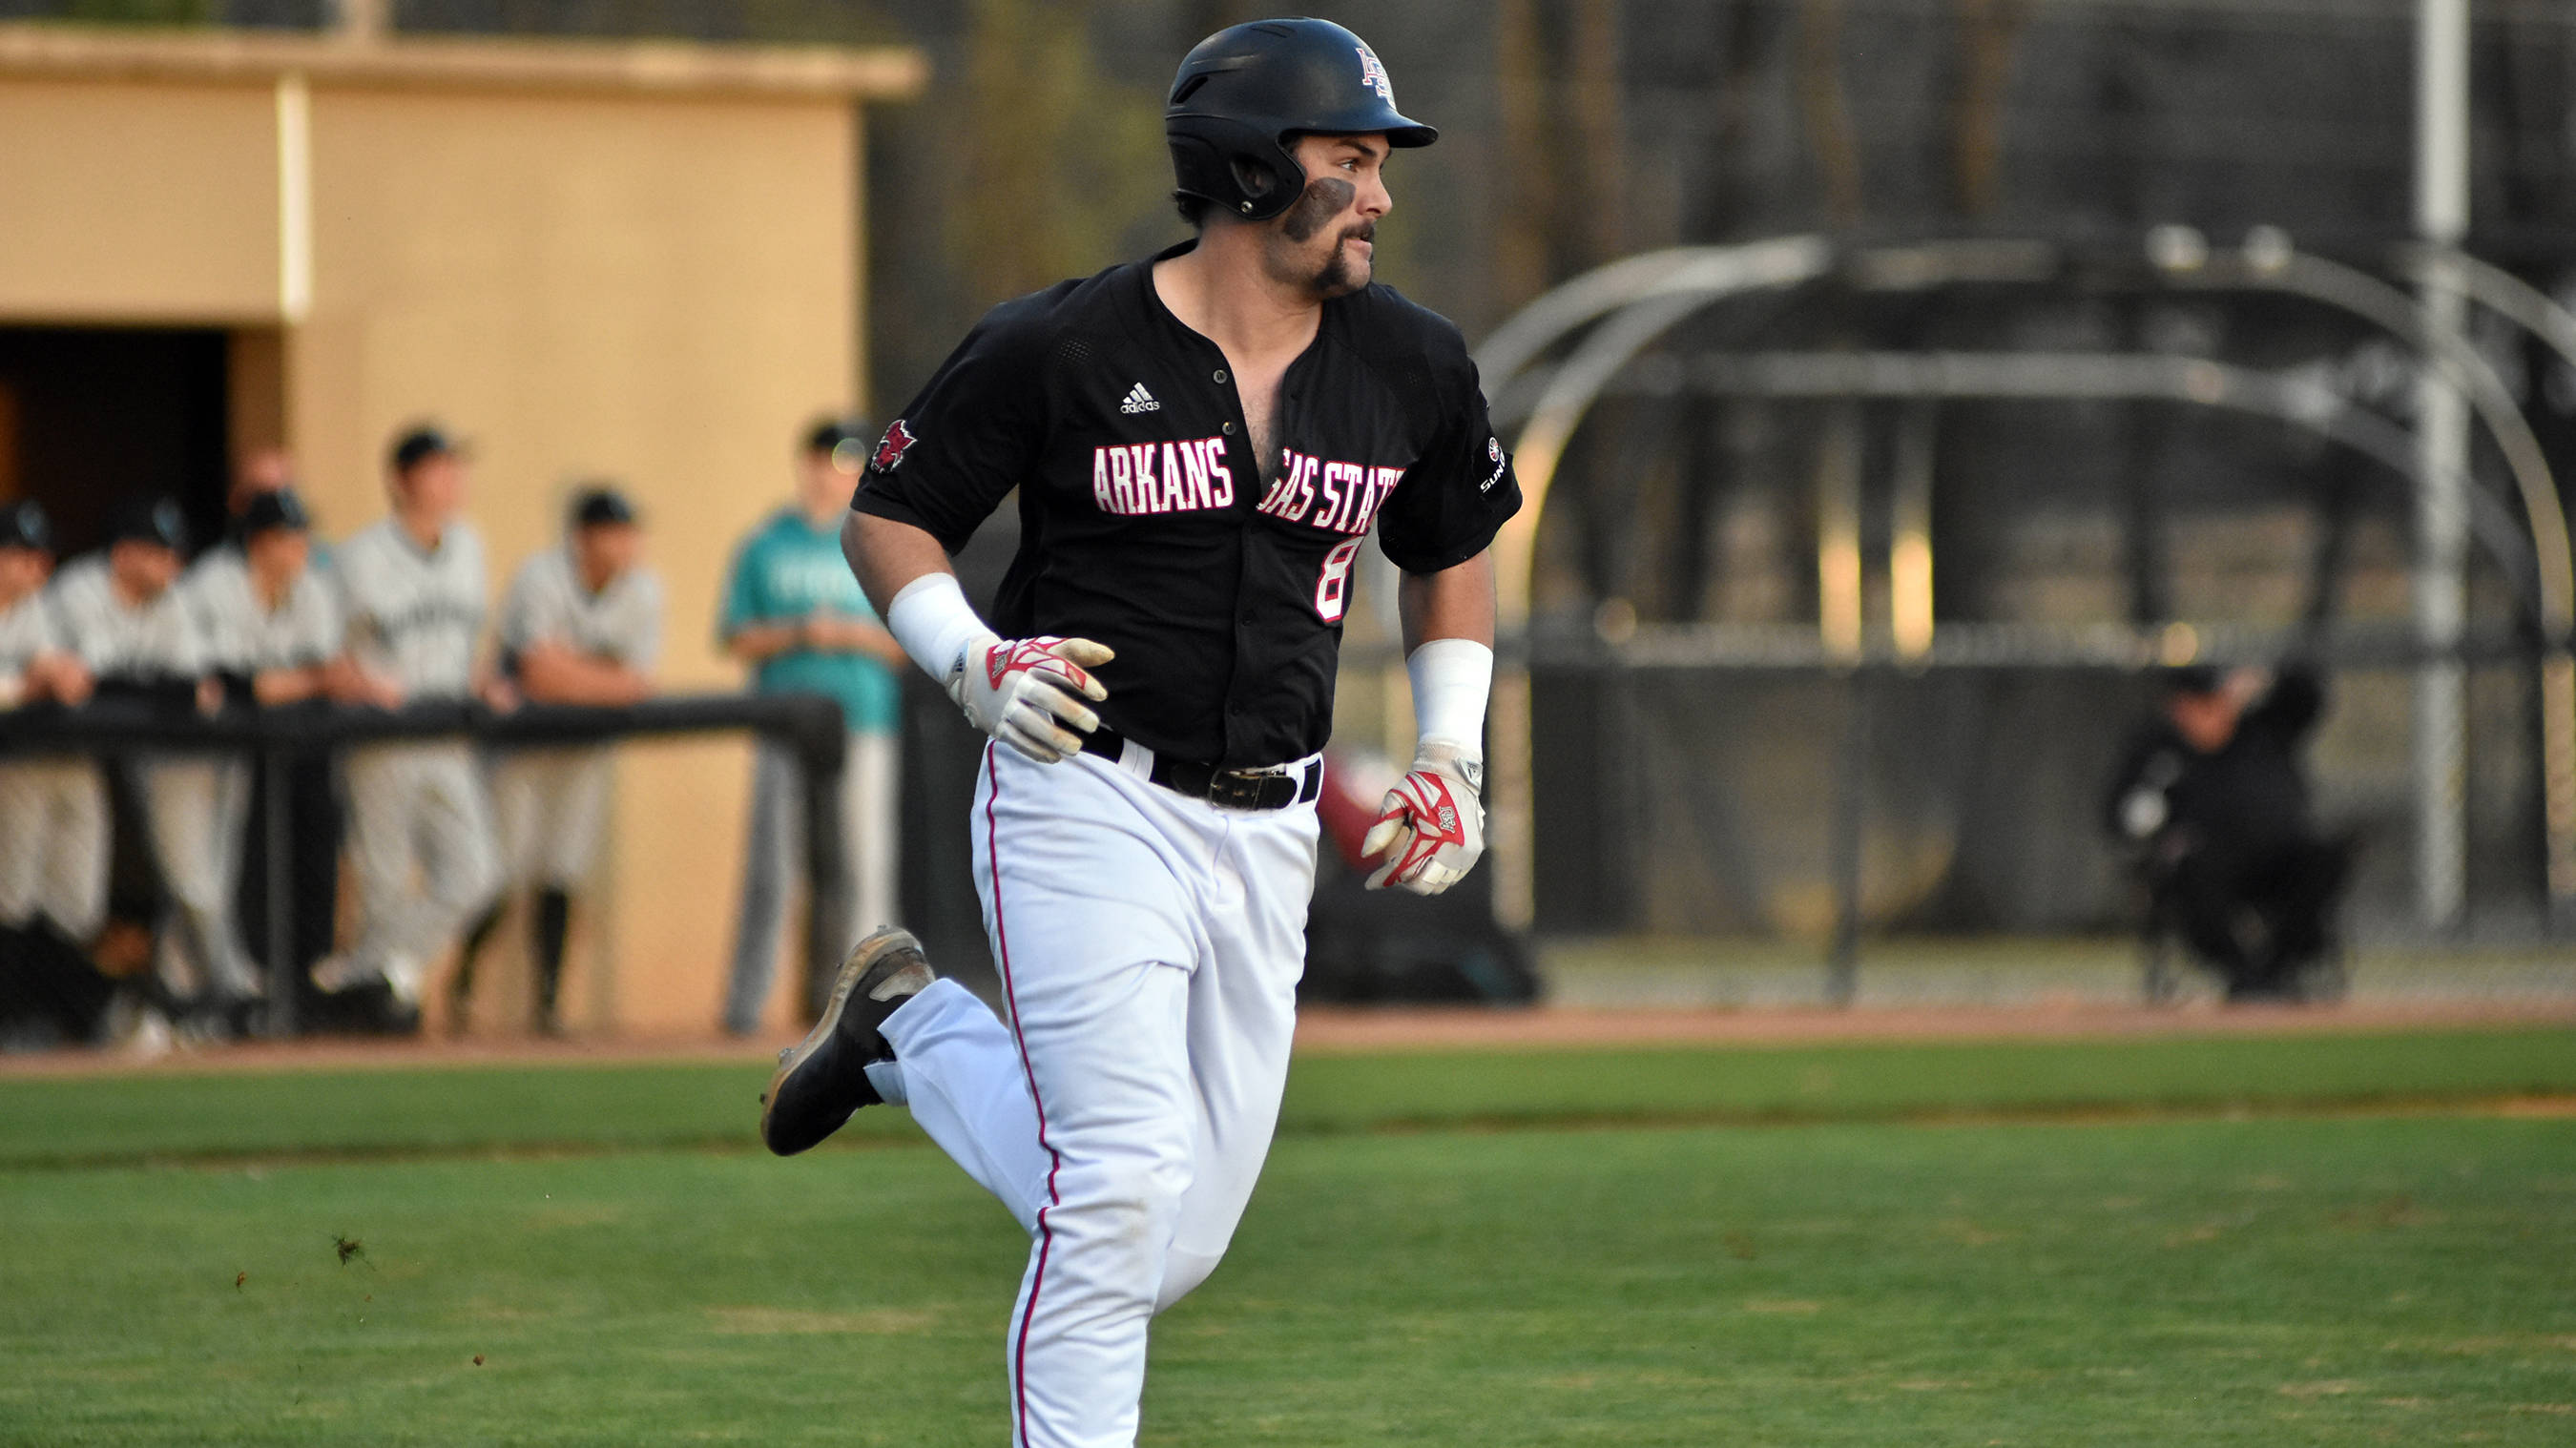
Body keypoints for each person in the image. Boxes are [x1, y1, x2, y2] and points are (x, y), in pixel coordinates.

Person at [760, 21, 1520, 1448]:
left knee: (1171, 1241)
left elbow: (1453, 544)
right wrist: (973, 662)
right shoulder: (1063, 342)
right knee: (1112, 1199)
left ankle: (909, 1027)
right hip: (1080, 793)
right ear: (1249, 166)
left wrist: (1455, 752)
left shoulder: (1410, 361)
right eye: (1350, 160)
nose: (1381, 194)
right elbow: (890, 517)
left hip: (1271, 821)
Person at [716, 419, 907, 1037]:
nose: (832, 473)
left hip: (863, 720)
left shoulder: (877, 539)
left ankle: (869, 1011)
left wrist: (847, 634)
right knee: (772, 868)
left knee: (864, 865)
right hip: (783, 722)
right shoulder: (767, 543)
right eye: (824, 460)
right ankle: (744, 1013)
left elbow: (909, 642)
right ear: (805, 464)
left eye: (846, 462)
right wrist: (801, 631)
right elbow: (736, 636)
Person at [311, 425, 508, 1022]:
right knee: (384, 885)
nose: (452, 478)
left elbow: (467, 639)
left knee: (476, 875)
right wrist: (362, 683)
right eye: (437, 467)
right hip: (381, 741)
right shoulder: (359, 557)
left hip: (447, 734)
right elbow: (321, 654)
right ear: (400, 479)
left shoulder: (471, 545)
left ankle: (365, 970)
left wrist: (484, 680)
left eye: (456, 466)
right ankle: (377, 1000)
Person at [453, 485, 662, 1036]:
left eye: (627, 531)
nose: (624, 543)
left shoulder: (643, 589)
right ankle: (463, 982)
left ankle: (547, 1006)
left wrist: (570, 674)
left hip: (582, 753)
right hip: (521, 749)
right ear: (583, 537)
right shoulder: (541, 576)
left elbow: (637, 684)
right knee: (500, 871)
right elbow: (537, 673)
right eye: (612, 531)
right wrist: (598, 676)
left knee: (562, 872)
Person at [50, 498, 257, 1022]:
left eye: (174, 554)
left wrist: (160, 690)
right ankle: (228, 994)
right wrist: (161, 690)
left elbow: (191, 682)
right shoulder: (80, 589)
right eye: (158, 553)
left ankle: (195, 999)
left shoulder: (172, 599)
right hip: (51, 753)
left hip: (149, 758)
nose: (172, 565)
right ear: (123, 554)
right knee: (46, 892)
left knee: (196, 885)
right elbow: (95, 681)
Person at [180, 487, 344, 1010]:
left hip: (287, 750)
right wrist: (313, 680)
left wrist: (308, 680)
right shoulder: (215, 583)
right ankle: (217, 990)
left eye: (301, 535)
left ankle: (294, 984)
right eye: (286, 536)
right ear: (256, 541)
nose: (299, 546)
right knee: (209, 875)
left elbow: (323, 673)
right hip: (205, 753)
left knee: (309, 852)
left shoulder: (312, 589)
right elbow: (237, 684)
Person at [2107, 662, 2351, 1002]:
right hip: (2209, 868)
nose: (2209, 713)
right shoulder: (2158, 750)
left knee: (2326, 857)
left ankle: (2276, 970)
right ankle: (2244, 974)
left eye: (2216, 700)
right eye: (2197, 704)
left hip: (2275, 859)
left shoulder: (2264, 730)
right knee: (2191, 872)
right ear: (2178, 708)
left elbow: (2307, 697)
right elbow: (2118, 814)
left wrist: (2269, 678)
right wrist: (2142, 816)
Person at [0, 501, 113, 1043]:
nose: (33, 567)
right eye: (19, 555)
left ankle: (55, 1010)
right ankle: (16, 1013)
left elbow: (53, 662)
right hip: (10, 763)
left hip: (58, 758)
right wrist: (28, 686)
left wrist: (54, 671)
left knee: (71, 899)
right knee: (11, 893)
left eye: (38, 557)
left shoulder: (38, 605)